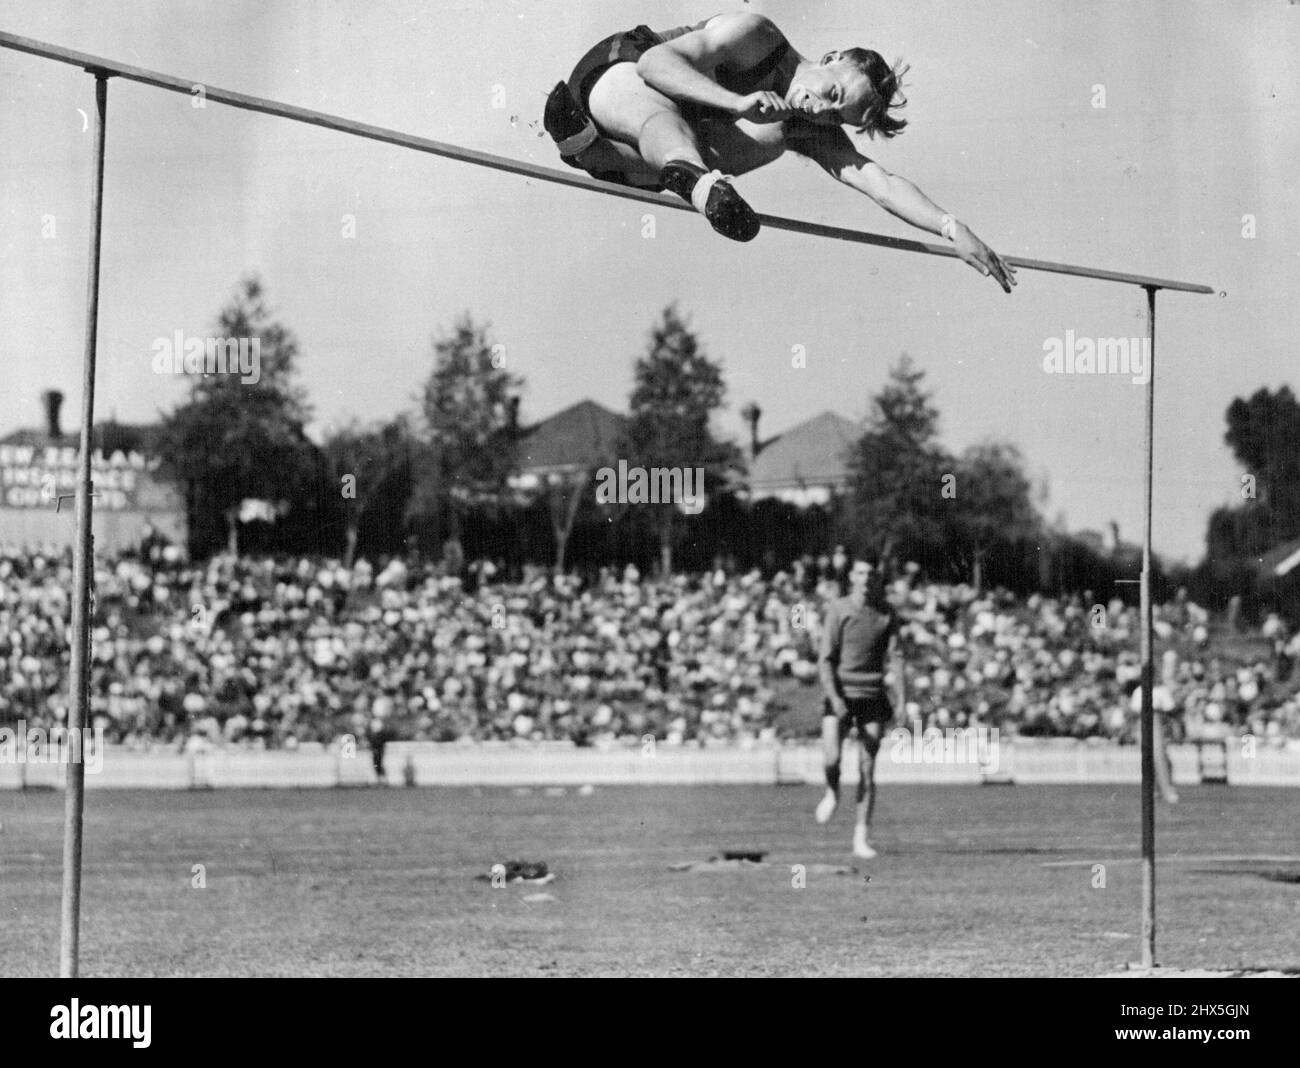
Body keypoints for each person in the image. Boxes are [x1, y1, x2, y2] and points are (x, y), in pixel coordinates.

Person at [543, 12, 1015, 290]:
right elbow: (654, 64)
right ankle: (692, 179)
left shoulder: (807, 127)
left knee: (771, 137)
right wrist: (736, 102)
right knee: (666, 119)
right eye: (832, 95)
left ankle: (596, 152)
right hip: (619, 74)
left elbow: (881, 183)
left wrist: (954, 229)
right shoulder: (757, 38)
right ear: (832, 58)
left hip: (643, 139)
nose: (819, 110)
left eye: (835, 117)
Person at [817, 558, 901, 858]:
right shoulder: (838, 609)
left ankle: (860, 838)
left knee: (867, 767)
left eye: (871, 573)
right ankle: (832, 790)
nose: (866, 578)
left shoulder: (886, 613)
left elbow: (896, 657)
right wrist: (836, 699)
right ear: (852, 576)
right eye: (861, 572)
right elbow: (826, 658)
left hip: (872, 694)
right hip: (841, 691)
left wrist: (900, 699)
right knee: (831, 757)